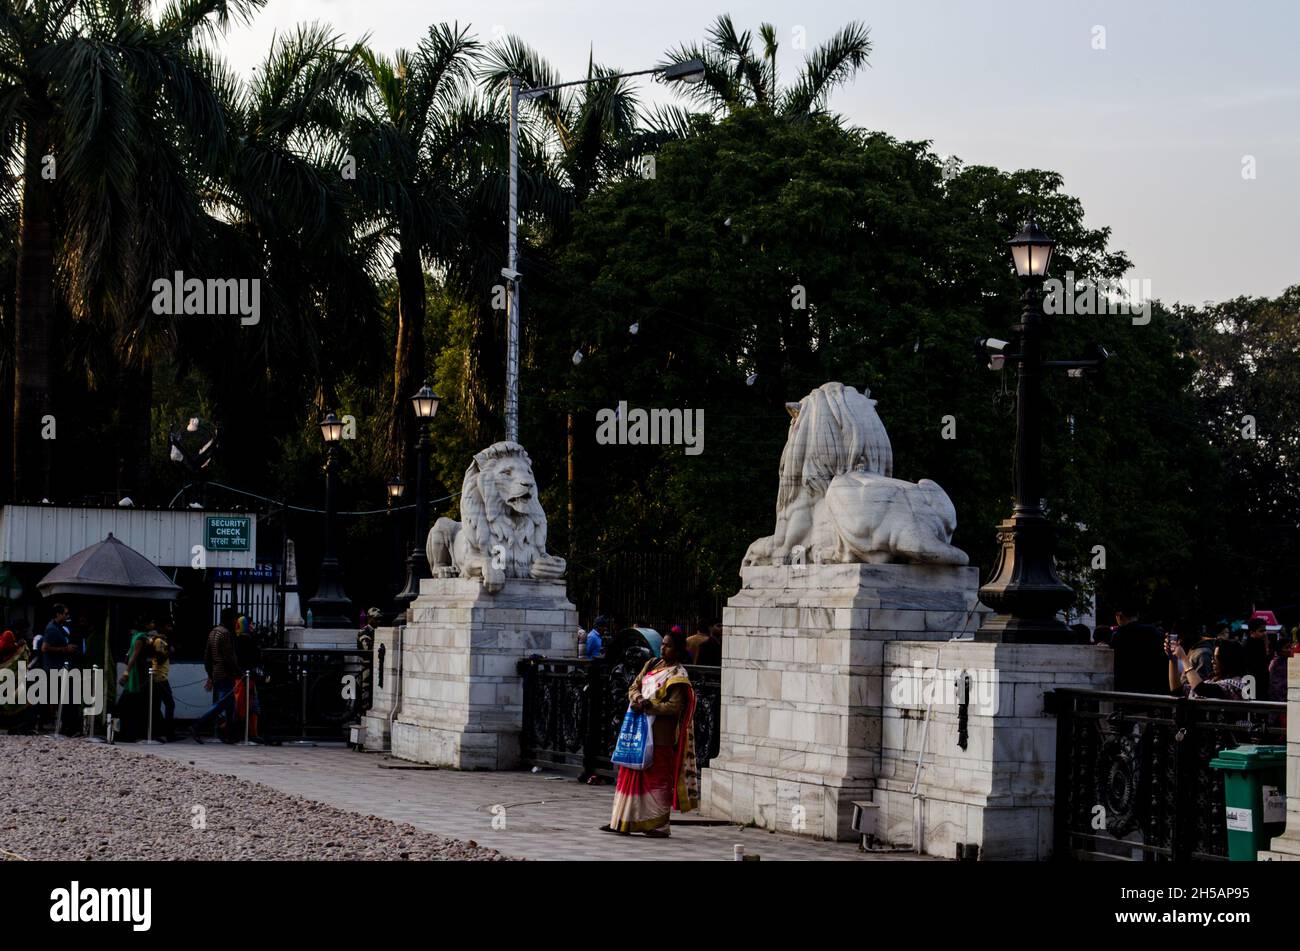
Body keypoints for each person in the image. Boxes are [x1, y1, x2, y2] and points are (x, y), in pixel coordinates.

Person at [604, 627, 699, 837]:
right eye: (663, 644)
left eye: (668, 646)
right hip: (639, 730)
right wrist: (637, 699)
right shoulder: (652, 664)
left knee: (657, 780)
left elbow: (674, 707)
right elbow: (633, 686)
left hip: (660, 736)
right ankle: (623, 820)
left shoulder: (678, 676)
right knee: (629, 774)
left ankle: (657, 825)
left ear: (678, 650)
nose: (663, 648)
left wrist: (648, 705)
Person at [192, 608, 241, 743]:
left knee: (230, 705)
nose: (236, 621)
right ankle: (198, 725)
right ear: (230, 619)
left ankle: (229, 734)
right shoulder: (225, 634)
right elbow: (229, 657)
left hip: (216, 672)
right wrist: (238, 671)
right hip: (225, 673)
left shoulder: (214, 632)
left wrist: (210, 673)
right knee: (222, 704)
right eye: (235, 618)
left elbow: (207, 655)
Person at [1169, 635, 1250, 700]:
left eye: (1217, 657)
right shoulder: (1210, 681)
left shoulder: (1237, 684)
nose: (1213, 661)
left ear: (1229, 660)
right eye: (1213, 657)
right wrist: (1173, 659)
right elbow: (1177, 691)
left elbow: (1202, 690)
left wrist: (1183, 658)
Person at [1109, 607, 1166, 694]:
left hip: (1125, 688)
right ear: (1137, 615)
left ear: (1119, 616)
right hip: (1152, 687)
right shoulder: (1152, 631)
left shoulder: (1118, 636)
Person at [117, 617, 157, 741]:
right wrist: (126, 672)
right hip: (139, 672)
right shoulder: (141, 638)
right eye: (151, 622)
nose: (153, 624)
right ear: (146, 625)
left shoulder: (136, 636)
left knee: (130, 703)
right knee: (137, 703)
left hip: (139, 671)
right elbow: (134, 656)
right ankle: (132, 733)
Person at [150, 620, 176, 741]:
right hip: (160, 677)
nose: (170, 628)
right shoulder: (159, 641)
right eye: (168, 625)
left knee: (157, 705)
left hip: (159, 677)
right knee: (170, 704)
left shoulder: (161, 640)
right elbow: (160, 659)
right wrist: (170, 652)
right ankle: (168, 733)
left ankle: (160, 732)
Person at [1243, 617, 1271, 700]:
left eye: (1265, 630)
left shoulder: (1260, 643)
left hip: (1261, 683)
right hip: (1252, 682)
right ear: (1252, 632)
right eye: (1261, 631)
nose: (1265, 633)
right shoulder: (1249, 646)